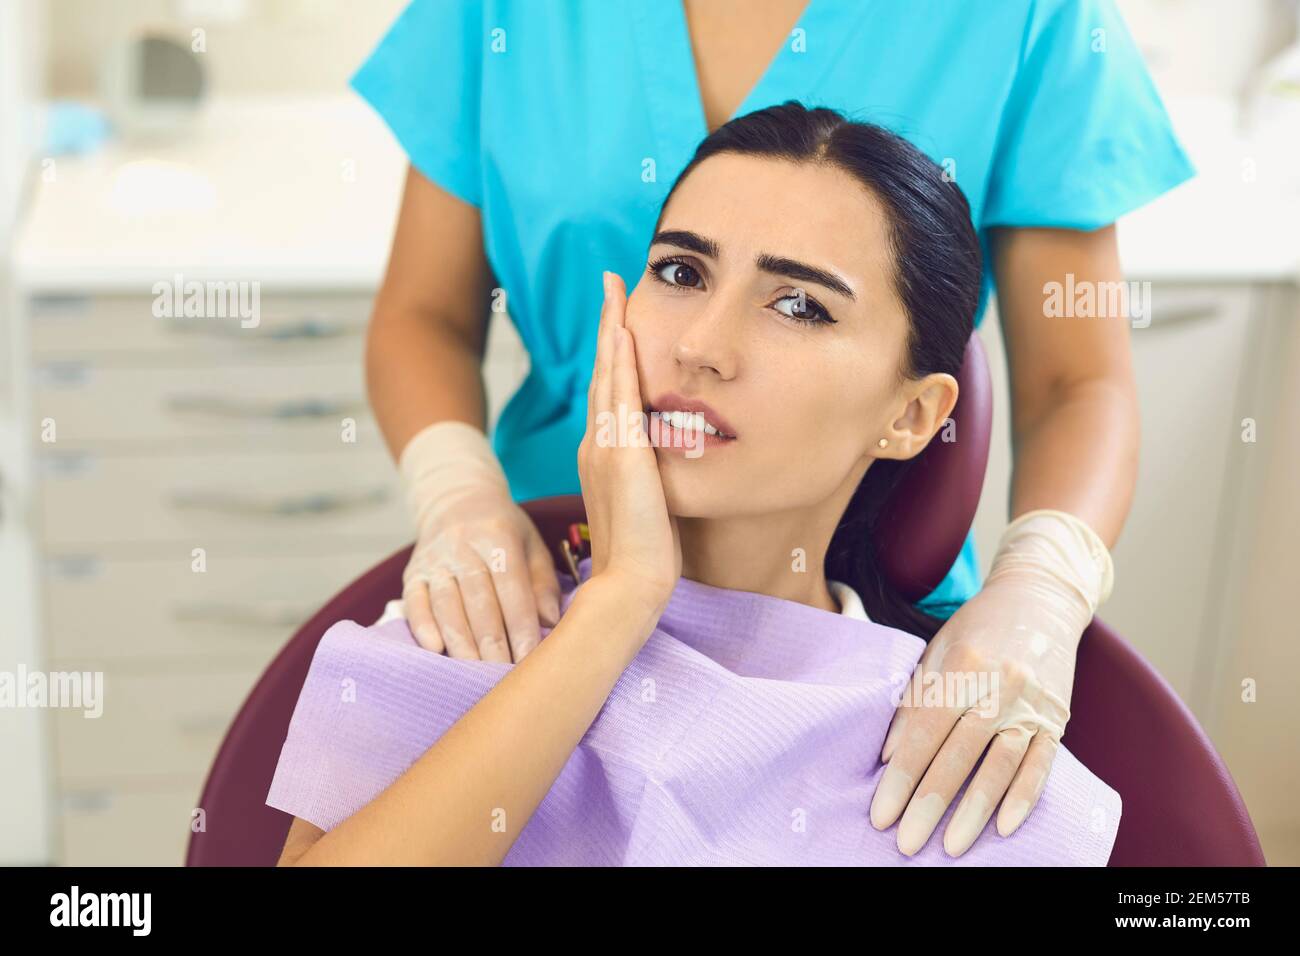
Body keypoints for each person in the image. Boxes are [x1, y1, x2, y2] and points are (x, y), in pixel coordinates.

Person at [350, 0, 1191, 854]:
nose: (704, 347)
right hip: (531, 574)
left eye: (800, 305)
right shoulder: (443, 662)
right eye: (678, 270)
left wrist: (1041, 589)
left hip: (878, 598)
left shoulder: (1030, 19)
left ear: (913, 415)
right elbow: (423, 316)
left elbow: (1076, 382)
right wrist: (461, 499)